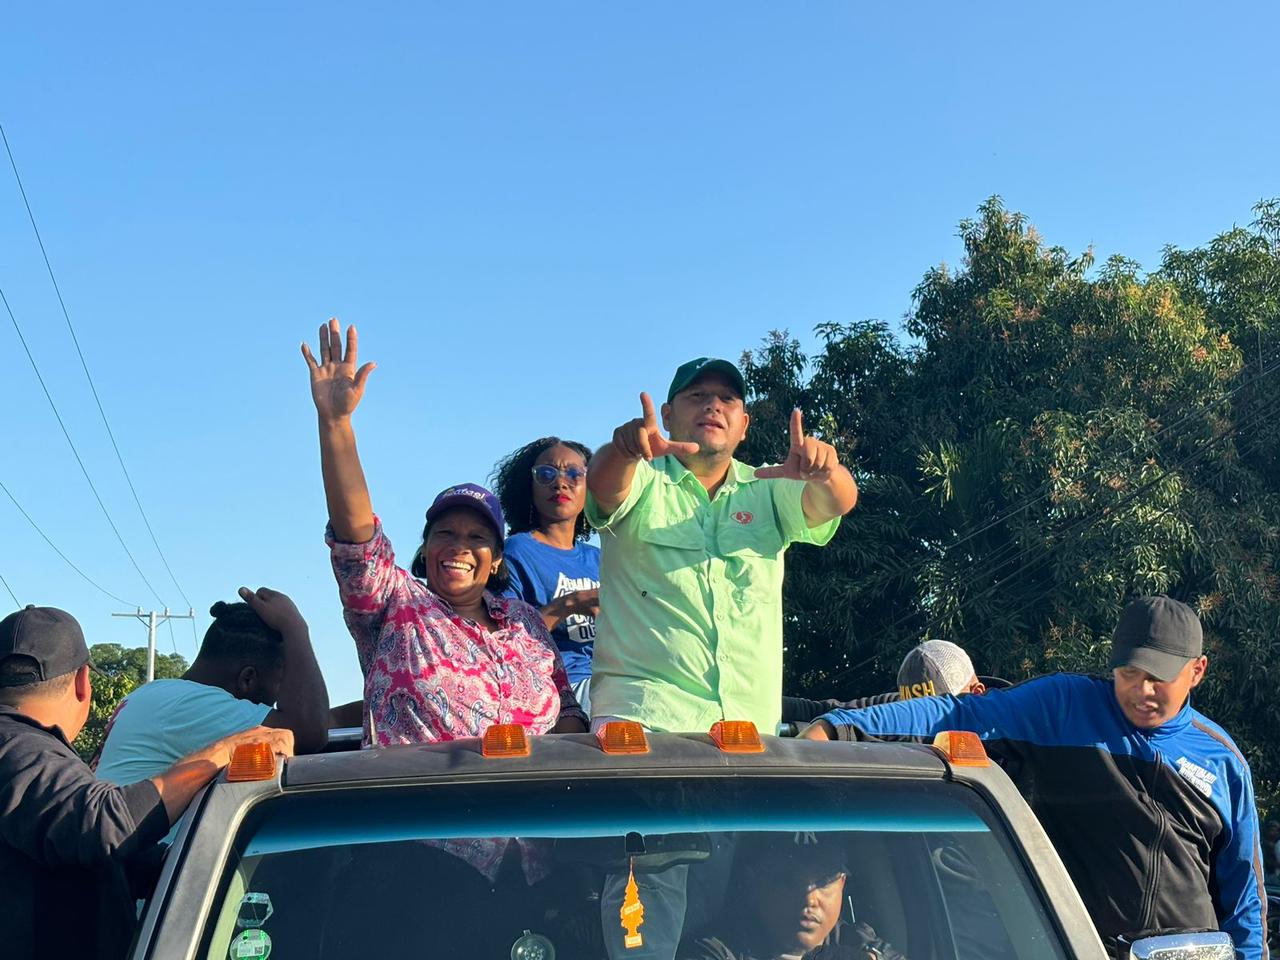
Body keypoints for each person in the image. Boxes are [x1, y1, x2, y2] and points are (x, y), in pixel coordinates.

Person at [802, 596, 1268, 959]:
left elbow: (1244, 899)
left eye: (1159, 677)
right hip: (1074, 948)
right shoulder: (1063, 709)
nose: (1141, 690)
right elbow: (959, 712)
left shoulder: (1222, 760)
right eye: (1129, 672)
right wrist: (840, 727)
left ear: (1197, 671)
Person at [302, 319, 586, 745]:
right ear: (426, 548)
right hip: (422, 789)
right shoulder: (395, 605)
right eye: (445, 533)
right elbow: (358, 536)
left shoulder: (524, 621)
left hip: (532, 789)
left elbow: (566, 710)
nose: (460, 547)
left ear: (496, 559)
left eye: (477, 538)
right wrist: (336, 424)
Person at [0, 604, 294, 960]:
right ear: (82, 683)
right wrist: (221, 753)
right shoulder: (17, 746)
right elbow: (102, 824)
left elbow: (102, 860)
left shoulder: (22, 755)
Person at [586, 357, 858, 735]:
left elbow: (836, 502)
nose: (713, 405)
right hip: (643, 723)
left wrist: (827, 473)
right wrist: (623, 450)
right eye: (697, 395)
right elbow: (602, 485)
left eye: (727, 399)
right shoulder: (640, 476)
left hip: (749, 730)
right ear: (667, 416)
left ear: (743, 425)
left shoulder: (767, 487)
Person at [95, 587, 328, 797]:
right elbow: (309, 731)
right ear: (247, 679)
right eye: (279, 685)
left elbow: (326, 721)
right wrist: (295, 627)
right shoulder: (195, 706)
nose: (276, 702)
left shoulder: (159, 693)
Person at [491, 435, 601, 714]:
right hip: (559, 685)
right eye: (546, 474)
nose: (560, 483)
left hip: (612, 677)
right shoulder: (516, 551)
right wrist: (569, 604)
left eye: (574, 474)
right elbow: (505, 639)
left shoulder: (600, 558)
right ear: (528, 487)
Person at [677, 832, 905, 960]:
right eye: (786, 881)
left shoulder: (860, 944)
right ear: (755, 883)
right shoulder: (714, 951)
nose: (809, 899)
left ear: (842, 884)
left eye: (824, 881)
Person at [783, 639, 1004, 726]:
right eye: (916, 714)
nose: (927, 726)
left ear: (977, 693)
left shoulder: (1015, 729)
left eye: (938, 711)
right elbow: (822, 711)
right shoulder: (897, 709)